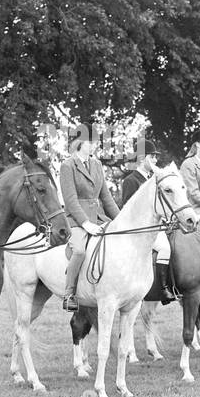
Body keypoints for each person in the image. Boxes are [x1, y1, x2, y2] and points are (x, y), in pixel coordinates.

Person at [61, 127, 120, 310]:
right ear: (79, 143)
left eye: (95, 142)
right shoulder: (67, 166)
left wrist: (120, 220)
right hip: (76, 219)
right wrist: (85, 223)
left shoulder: (97, 165)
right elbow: (70, 201)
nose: (95, 145)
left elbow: (106, 197)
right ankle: (69, 294)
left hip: (99, 217)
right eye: (91, 142)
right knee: (79, 250)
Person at [118, 140, 177, 303]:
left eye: (155, 157)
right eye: (152, 157)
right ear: (142, 158)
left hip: (156, 226)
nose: (155, 160)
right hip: (140, 230)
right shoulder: (131, 180)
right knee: (165, 248)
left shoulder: (154, 180)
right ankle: (163, 288)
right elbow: (128, 210)